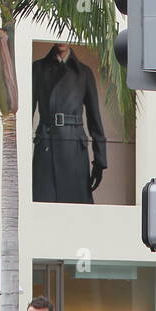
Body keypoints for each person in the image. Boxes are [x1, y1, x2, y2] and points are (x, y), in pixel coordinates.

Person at [32, 43, 107, 204]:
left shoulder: (84, 73)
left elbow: (95, 119)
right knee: (43, 206)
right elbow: (25, 115)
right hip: (46, 143)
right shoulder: (37, 69)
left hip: (74, 148)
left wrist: (100, 161)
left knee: (76, 209)